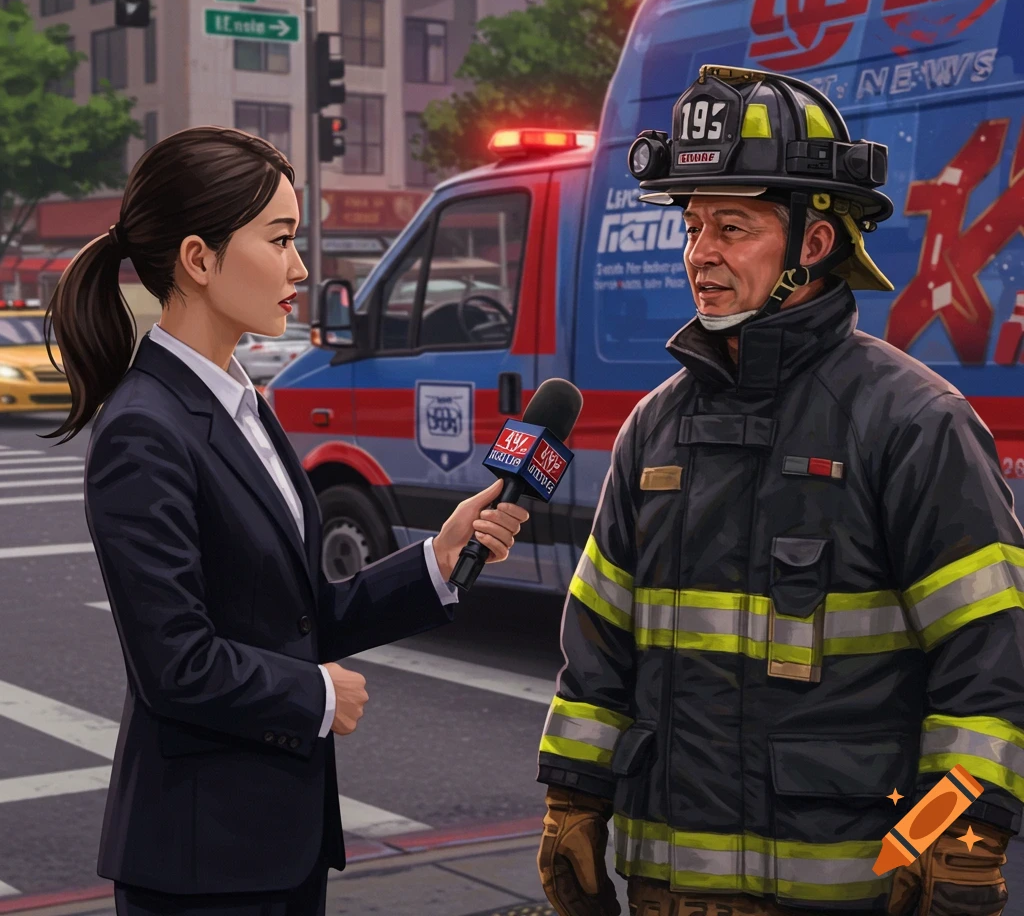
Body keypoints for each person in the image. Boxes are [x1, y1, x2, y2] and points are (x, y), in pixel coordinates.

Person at [535, 65, 1024, 916]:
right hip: (667, 894)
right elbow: (599, 649)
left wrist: (955, 839)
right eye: (693, 226)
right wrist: (572, 803)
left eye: (733, 226)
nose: (700, 254)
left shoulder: (912, 423)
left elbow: (989, 674)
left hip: (844, 893)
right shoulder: (654, 429)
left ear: (814, 243)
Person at [42, 126, 530, 916]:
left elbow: (298, 612)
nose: (301, 267)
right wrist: (314, 695)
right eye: (279, 239)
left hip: (277, 848)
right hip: (200, 869)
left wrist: (436, 560)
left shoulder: (243, 407)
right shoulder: (144, 429)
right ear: (199, 260)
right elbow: (174, 663)